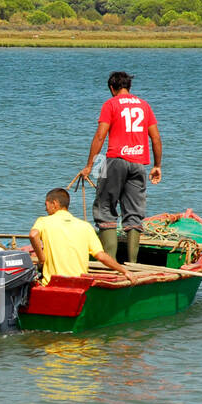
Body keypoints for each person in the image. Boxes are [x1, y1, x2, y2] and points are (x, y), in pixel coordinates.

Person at [77, 71, 162, 264]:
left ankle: (110, 262)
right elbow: (156, 138)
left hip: (113, 159)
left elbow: (100, 136)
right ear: (129, 87)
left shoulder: (110, 104)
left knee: (104, 207)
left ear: (111, 88)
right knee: (134, 213)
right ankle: (132, 263)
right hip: (139, 163)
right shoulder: (144, 105)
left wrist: (89, 166)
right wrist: (157, 165)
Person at [28, 188, 135, 285]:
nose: (46, 209)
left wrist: (41, 259)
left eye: (46, 205)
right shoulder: (85, 226)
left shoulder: (44, 221)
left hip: (52, 284)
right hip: (78, 285)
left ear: (54, 204)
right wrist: (124, 271)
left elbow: (33, 235)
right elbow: (101, 256)